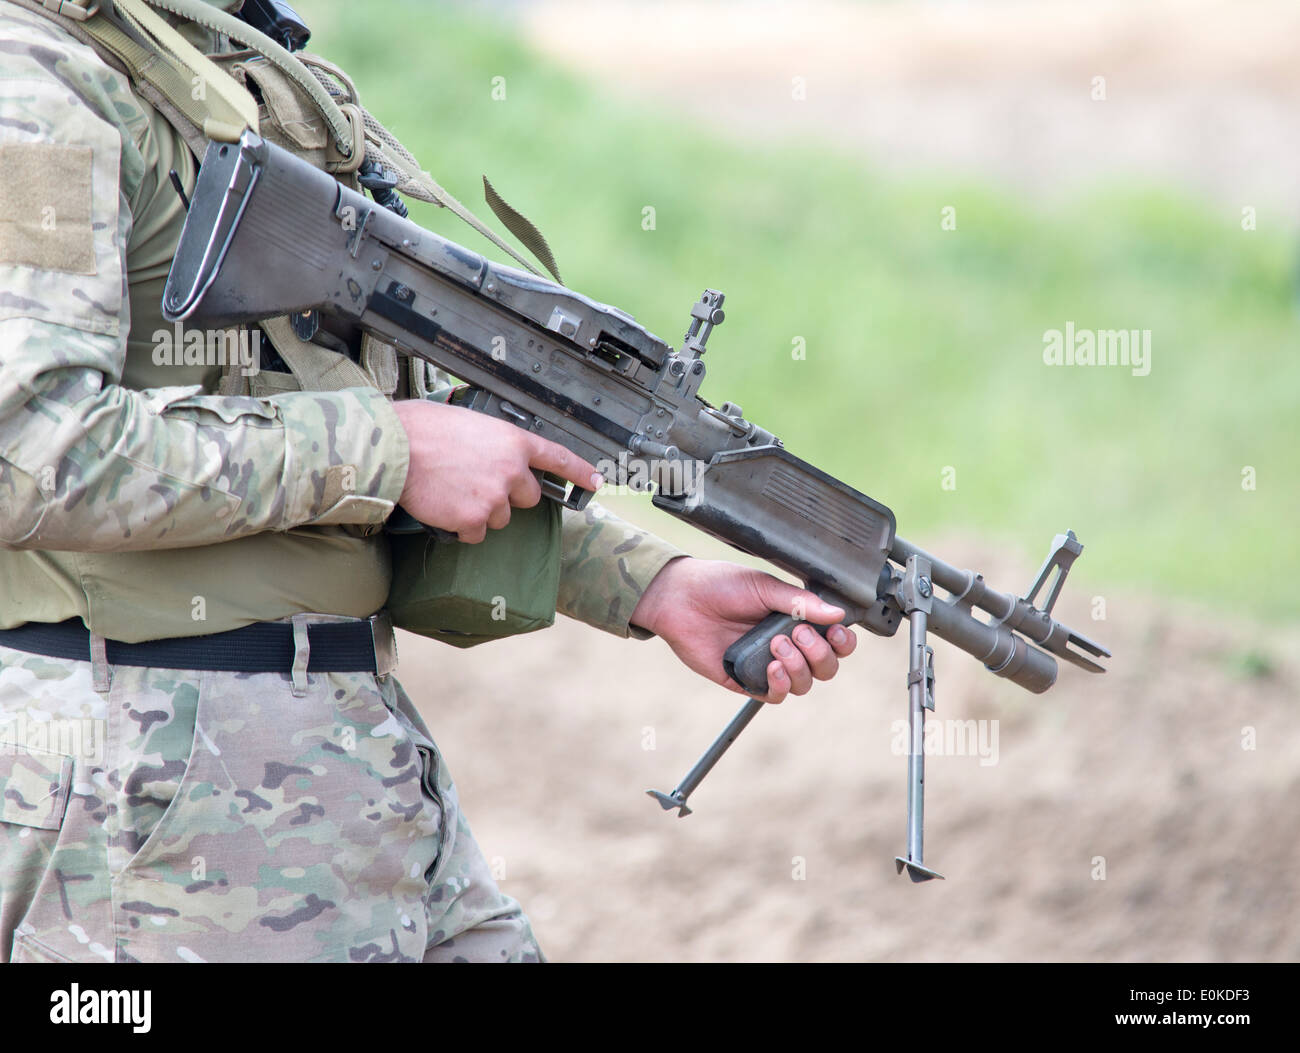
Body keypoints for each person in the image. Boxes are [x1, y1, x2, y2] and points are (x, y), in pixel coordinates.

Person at [0, 0, 857, 962]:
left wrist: (646, 584)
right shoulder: (36, 76)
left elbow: (334, 421)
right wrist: (388, 450)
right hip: (163, 787)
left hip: (339, 751)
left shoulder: (215, 58)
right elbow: (32, 451)